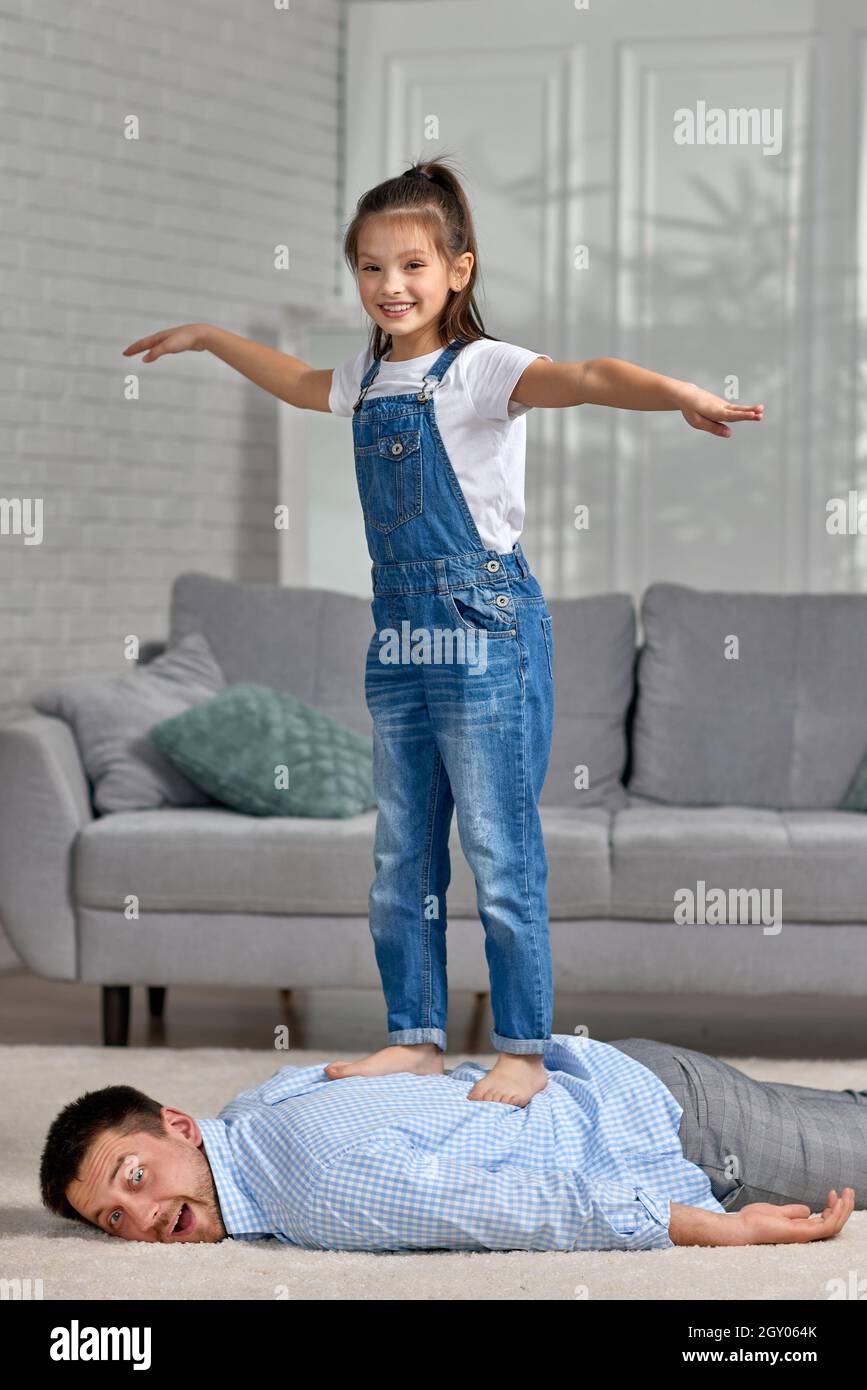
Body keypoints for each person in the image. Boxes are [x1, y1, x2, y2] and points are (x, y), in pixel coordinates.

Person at [122, 156, 764, 1108]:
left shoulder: (482, 371)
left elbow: (586, 375)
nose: (391, 286)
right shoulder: (368, 375)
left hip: (484, 628)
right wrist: (215, 337)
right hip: (399, 635)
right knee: (401, 852)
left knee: (500, 851)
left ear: (457, 270)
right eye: (372, 269)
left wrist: (679, 392)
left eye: (413, 266)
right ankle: (414, 1036)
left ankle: (523, 1049)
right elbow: (300, 382)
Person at [40, 1034, 858, 1251]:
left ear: (177, 1125)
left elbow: (536, 1211)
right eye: (114, 1219)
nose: (141, 1217)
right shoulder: (258, 1104)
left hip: (679, 1136)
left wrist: (724, 1228)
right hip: (625, 1076)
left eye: (134, 1175)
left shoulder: (319, 1190)